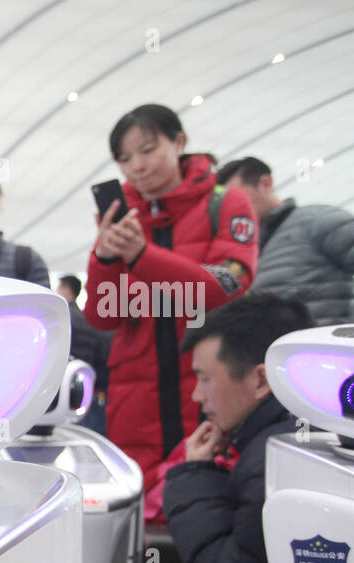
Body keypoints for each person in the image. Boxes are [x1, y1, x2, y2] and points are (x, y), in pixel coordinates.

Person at [160, 294, 312, 563]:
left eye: (205, 379)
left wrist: (194, 475)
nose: (196, 395)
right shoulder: (310, 427)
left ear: (261, 381)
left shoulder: (273, 455)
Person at [84, 104, 259, 490]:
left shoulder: (226, 203)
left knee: (212, 497)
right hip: (134, 393)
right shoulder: (125, 217)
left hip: (208, 387)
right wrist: (104, 257)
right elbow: (102, 315)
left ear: (178, 141)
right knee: (143, 514)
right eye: (125, 159)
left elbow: (224, 288)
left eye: (148, 149)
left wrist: (142, 256)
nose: (138, 166)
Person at [218, 156, 354, 325]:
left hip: (329, 347)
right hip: (279, 350)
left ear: (265, 183)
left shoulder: (318, 220)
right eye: (226, 202)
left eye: (237, 197)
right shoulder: (245, 250)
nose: (232, 206)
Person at [57, 273, 111, 434]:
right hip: (89, 388)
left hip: (67, 389)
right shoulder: (85, 318)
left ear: (66, 290)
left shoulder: (63, 315)